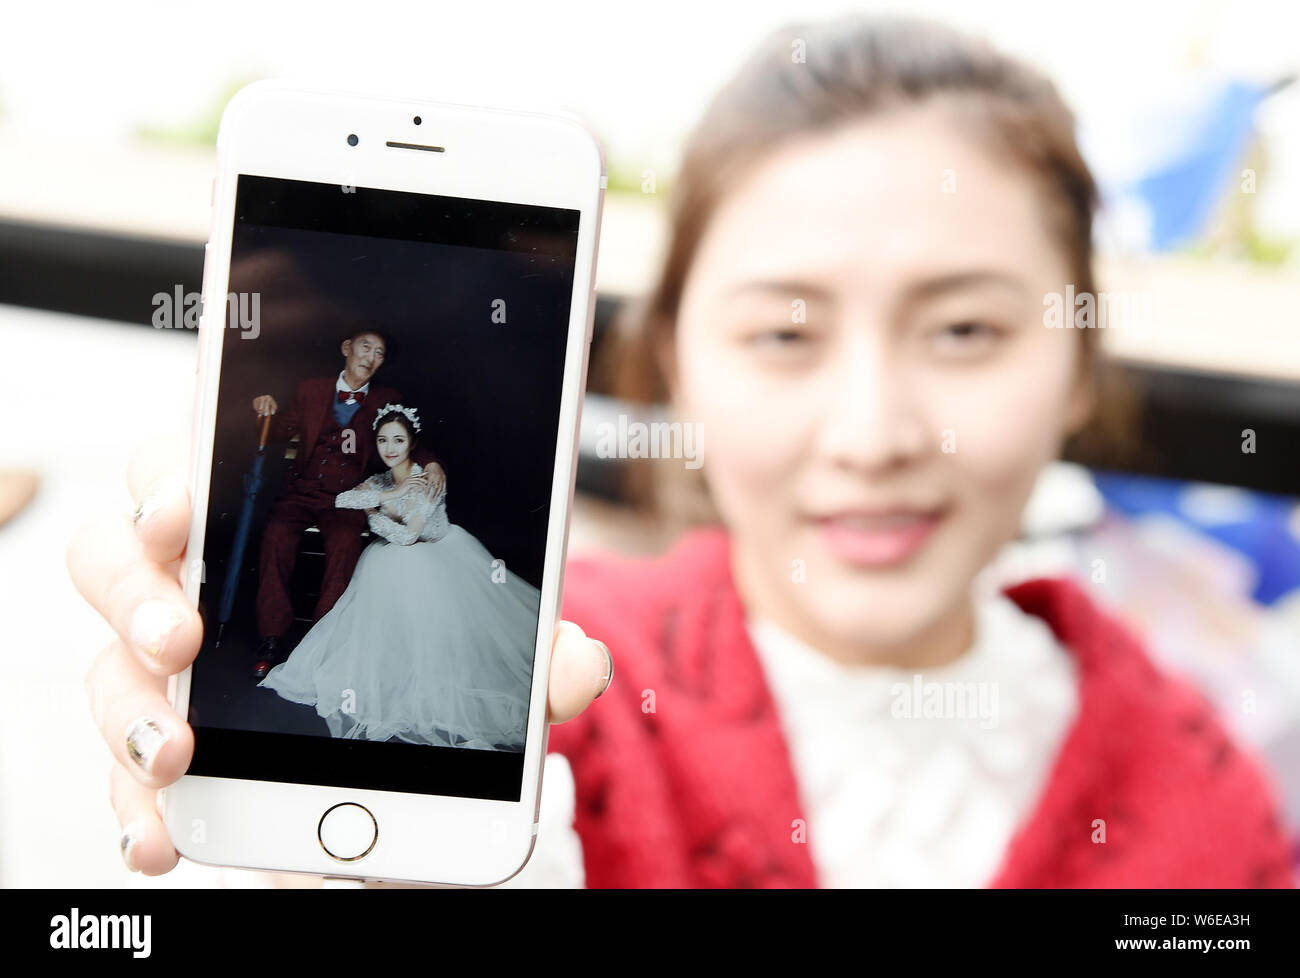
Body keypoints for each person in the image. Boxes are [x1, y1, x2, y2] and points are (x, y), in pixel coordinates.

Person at [70, 15, 1295, 887]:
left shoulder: (1213, 798)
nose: (869, 434)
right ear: (672, 360)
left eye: (966, 328)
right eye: (782, 331)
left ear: (1077, 358)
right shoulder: (554, 698)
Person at [258, 404, 541, 750]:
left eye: (398, 440)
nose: (389, 448)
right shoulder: (381, 479)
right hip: (395, 553)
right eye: (382, 440)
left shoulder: (426, 480)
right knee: (384, 571)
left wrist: (373, 511)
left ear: (412, 443)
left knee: (405, 571)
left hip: (437, 551)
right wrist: (387, 495)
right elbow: (343, 499)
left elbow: (409, 537)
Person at [250, 327, 439, 679]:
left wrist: (430, 462)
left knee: (345, 544)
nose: (370, 357)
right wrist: (265, 410)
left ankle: (321, 642)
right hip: (300, 492)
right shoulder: (311, 390)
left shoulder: (387, 398)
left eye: (379, 353)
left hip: (347, 498)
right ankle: (271, 639)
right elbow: (278, 431)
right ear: (346, 348)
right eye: (365, 347)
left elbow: (410, 438)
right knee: (275, 535)